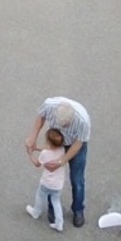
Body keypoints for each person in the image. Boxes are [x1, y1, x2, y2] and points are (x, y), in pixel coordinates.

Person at [25, 96, 91, 226]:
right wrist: (32, 137)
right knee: (52, 177)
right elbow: (41, 118)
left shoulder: (83, 121)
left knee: (77, 179)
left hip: (75, 144)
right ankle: (52, 210)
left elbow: (78, 144)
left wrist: (62, 161)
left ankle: (78, 210)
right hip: (57, 143)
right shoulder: (49, 105)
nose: (63, 128)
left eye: (66, 125)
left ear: (72, 119)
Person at [28, 127, 69, 230]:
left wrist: (30, 154)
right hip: (58, 184)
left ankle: (36, 212)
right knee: (56, 201)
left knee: (40, 196)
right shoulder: (62, 150)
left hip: (46, 183)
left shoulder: (44, 154)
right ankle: (59, 222)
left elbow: (37, 164)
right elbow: (49, 150)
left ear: (48, 142)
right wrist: (37, 148)